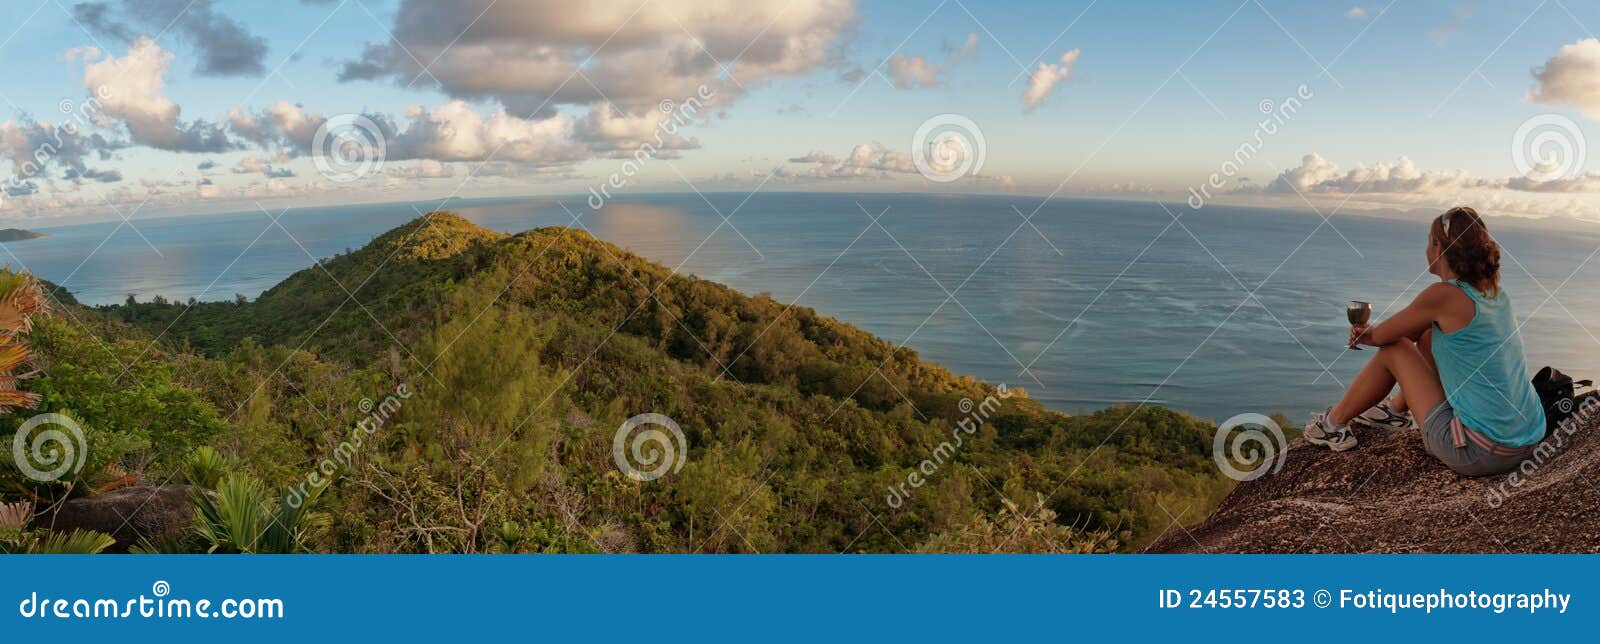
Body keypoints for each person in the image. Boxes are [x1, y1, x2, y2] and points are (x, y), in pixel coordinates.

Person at [1302, 206, 1545, 476]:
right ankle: (1395, 410)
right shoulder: (1494, 291)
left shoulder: (1442, 295)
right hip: (1529, 440)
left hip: (1479, 454)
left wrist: (1364, 333)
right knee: (1428, 336)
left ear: (1438, 246)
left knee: (1395, 348)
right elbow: (1419, 329)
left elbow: (1383, 337)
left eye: (1429, 242)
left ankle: (1332, 425)